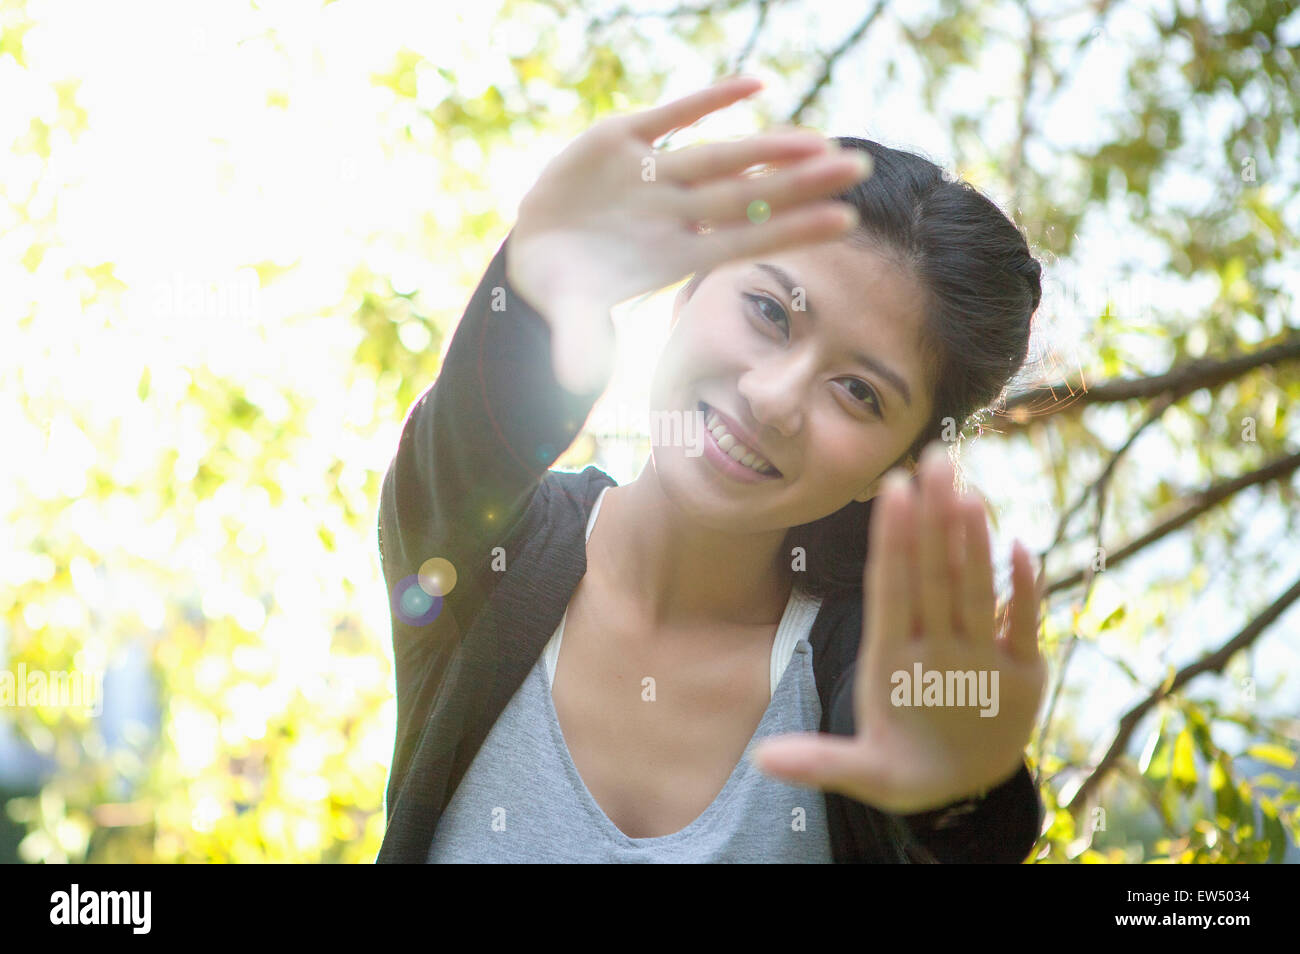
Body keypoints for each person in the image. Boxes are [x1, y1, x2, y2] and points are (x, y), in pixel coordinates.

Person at [376, 76, 1047, 863]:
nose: (773, 398)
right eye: (770, 311)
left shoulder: (857, 673)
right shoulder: (491, 560)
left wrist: (962, 795)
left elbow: (946, 821)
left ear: (891, 467)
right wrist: (531, 286)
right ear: (686, 291)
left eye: (860, 392)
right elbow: (467, 450)